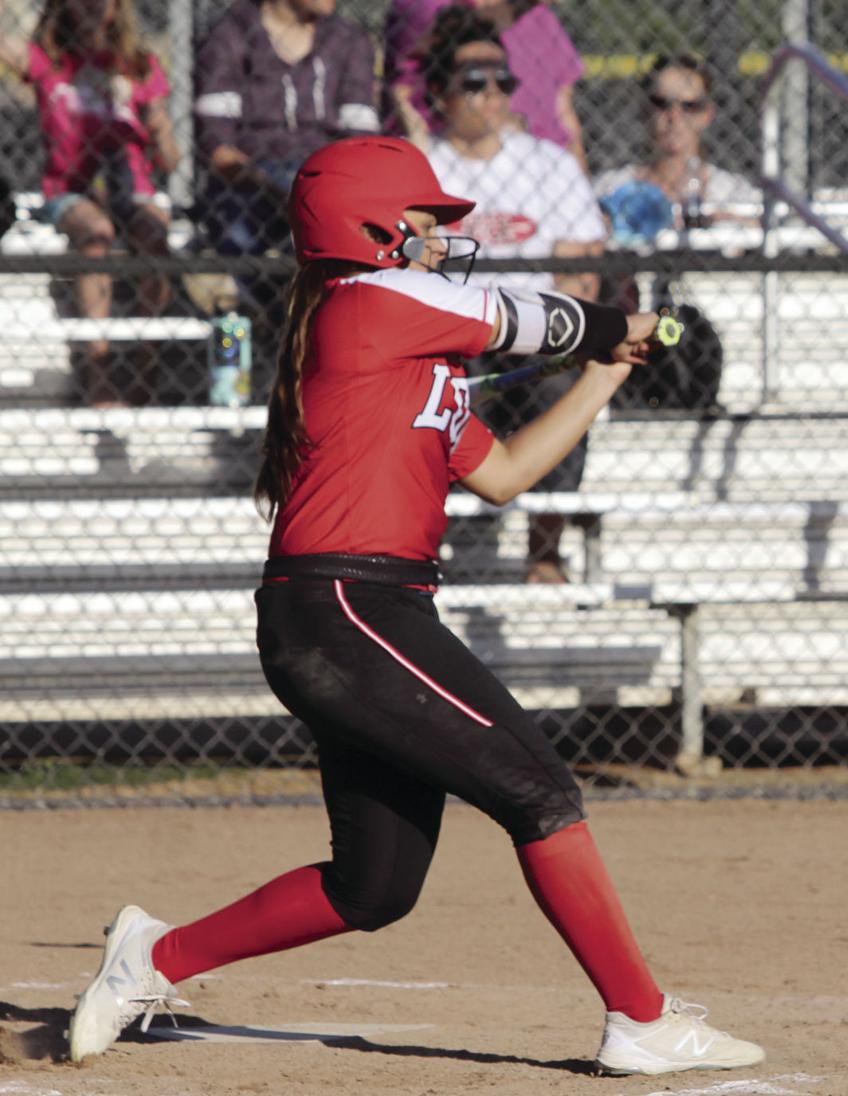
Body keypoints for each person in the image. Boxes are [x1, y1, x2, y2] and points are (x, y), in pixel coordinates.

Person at [64, 134, 765, 1079]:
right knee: (542, 792)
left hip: (369, 612)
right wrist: (608, 325)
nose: (441, 242)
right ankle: (640, 1017)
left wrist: (605, 373)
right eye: (428, 226)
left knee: (376, 884)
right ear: (375, 230)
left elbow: (506, 475)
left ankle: (152, 956)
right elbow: (529, 318)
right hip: (346, 605)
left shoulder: (412, 352)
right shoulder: (365, 304)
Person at [422, 6, 606, 582]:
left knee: (560, 384)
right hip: (451, 332)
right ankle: (424, 546)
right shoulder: (423, 168)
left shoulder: (548, 164)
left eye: (504, 81)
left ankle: (544, 552)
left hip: (535, 328)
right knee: (431, 392)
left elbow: (581, 274)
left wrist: (549, 325)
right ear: (439, 93)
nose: (493, 95)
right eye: (474, 83)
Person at [0, 0, 180, 406]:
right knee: (97, 234)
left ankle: (145, 365)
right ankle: (97, 371)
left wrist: (160, 130)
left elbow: (170, 160)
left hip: (131, 187)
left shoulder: (136, 63)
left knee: (153, 234)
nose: (93, 6)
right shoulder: (49, 60)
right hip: (70, 189)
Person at [193, 0, 380, 262]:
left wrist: (320, 189)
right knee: (238, 230)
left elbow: (362, 140)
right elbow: (217, 148)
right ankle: (254, 299)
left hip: (328, 175)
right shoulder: (232, 32)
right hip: (251, 176)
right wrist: (278, 190)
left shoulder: (347, 38)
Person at [383, 0, 586, 170]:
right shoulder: (429, 7)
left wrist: (579, 179)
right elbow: (402, 88)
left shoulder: (541, 18)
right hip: (451, 163)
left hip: (543, 168)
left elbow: (565, 112)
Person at [593, 53, 761, 242]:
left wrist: (734, 224)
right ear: (645, 109)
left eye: (690, 106)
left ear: (707, 114)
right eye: (661, 104)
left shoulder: (733, 192)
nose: (675, 116)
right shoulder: (612, 187)